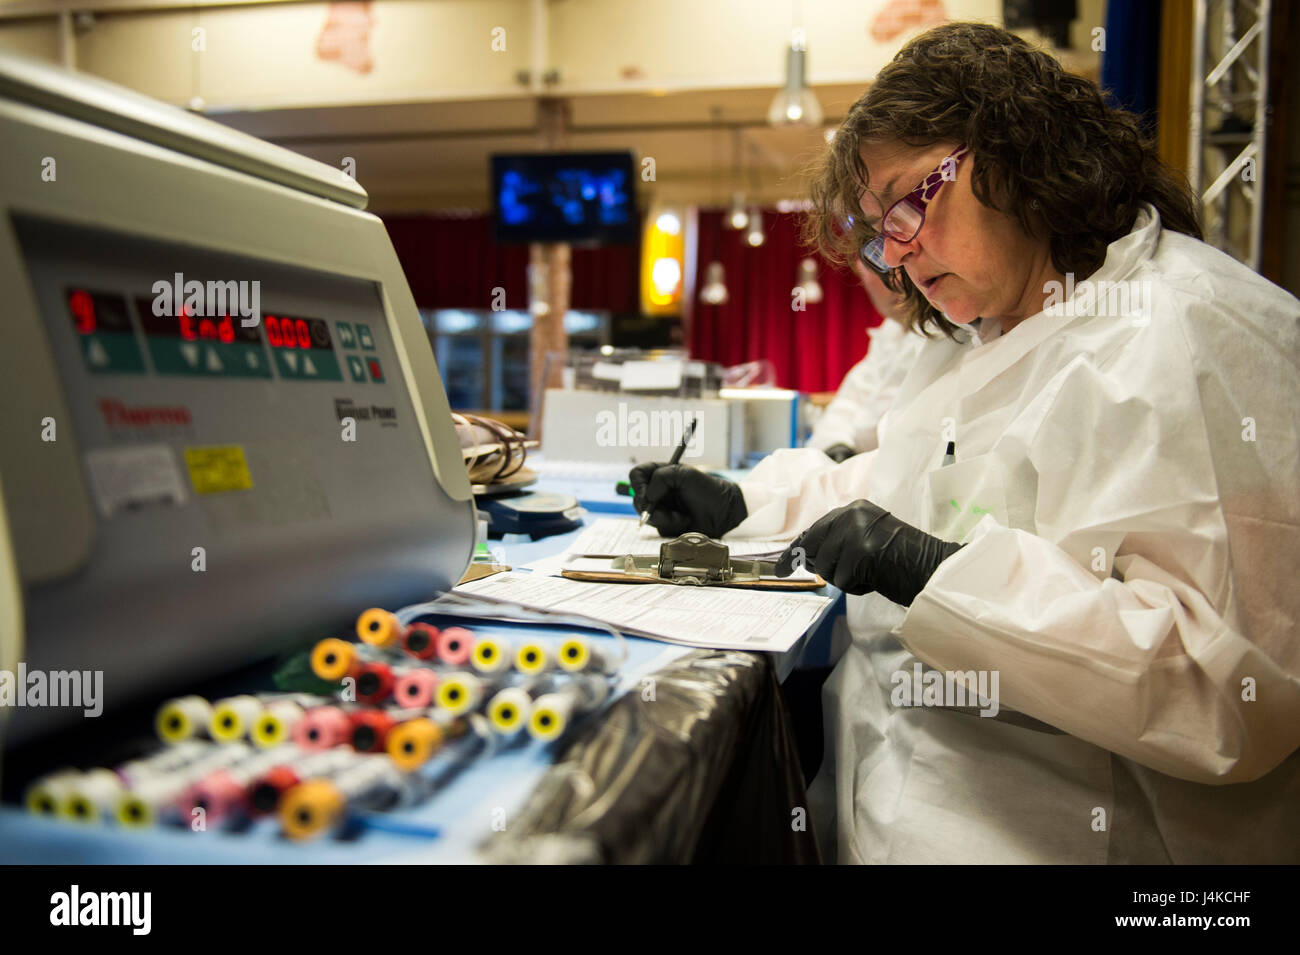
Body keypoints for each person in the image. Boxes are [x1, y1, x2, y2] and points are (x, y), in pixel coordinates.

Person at [630, 22, 1300, 863]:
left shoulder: (1192, 328)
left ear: (1022, 148)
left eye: (912, 200)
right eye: (880, 232)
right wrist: (748, 502)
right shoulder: (988, 332)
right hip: (906, 803)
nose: (898, 255)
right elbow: (909, 478)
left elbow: (1224, 695)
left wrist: (938, 572)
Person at [807, 260, 927, 462]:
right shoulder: (889, 334)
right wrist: (838, 447)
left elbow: (876, 432)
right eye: (882, 266)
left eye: (903, 263)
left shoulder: (945, 332)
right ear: (861, 269)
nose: (898, 279)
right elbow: (845, 407)